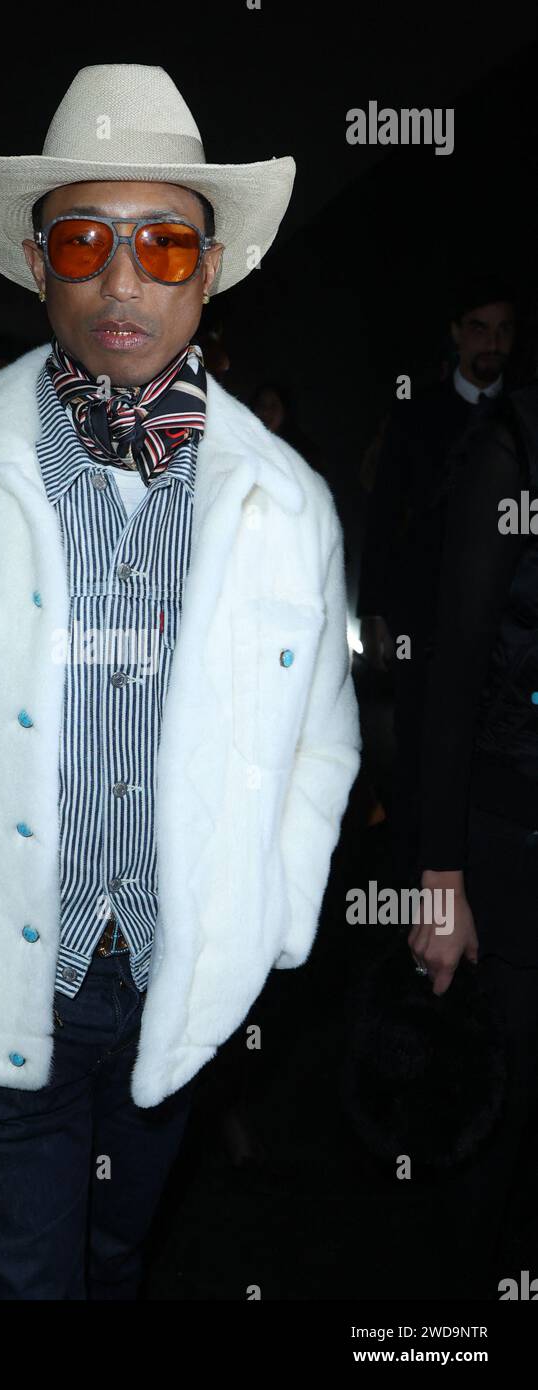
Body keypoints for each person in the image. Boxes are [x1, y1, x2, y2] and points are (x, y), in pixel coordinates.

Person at [0, 63, 361, 1300]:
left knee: (114, 1252)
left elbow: (320, 741)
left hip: (175, 990)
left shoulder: (287, 508)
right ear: (35, 258)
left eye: (164, 244)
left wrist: (264, 918)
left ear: (208, 270)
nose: (123, 279)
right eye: (85, 240)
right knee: (20, 1279)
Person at [410, 376, 538, 1295]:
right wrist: (439, 882)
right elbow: (449, 681)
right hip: (509, 840)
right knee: (499, 1110)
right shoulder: (512, 450)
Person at [358, 282, 516, 886]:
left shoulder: (521, 417)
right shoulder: (416, 414)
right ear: (456, 333)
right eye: (479, 328)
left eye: (504, 330)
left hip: (506, 635)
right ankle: (416, 894)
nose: (492, 343)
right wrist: (374, 611)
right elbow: (383, 516)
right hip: (422, 623)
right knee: (422, 753)